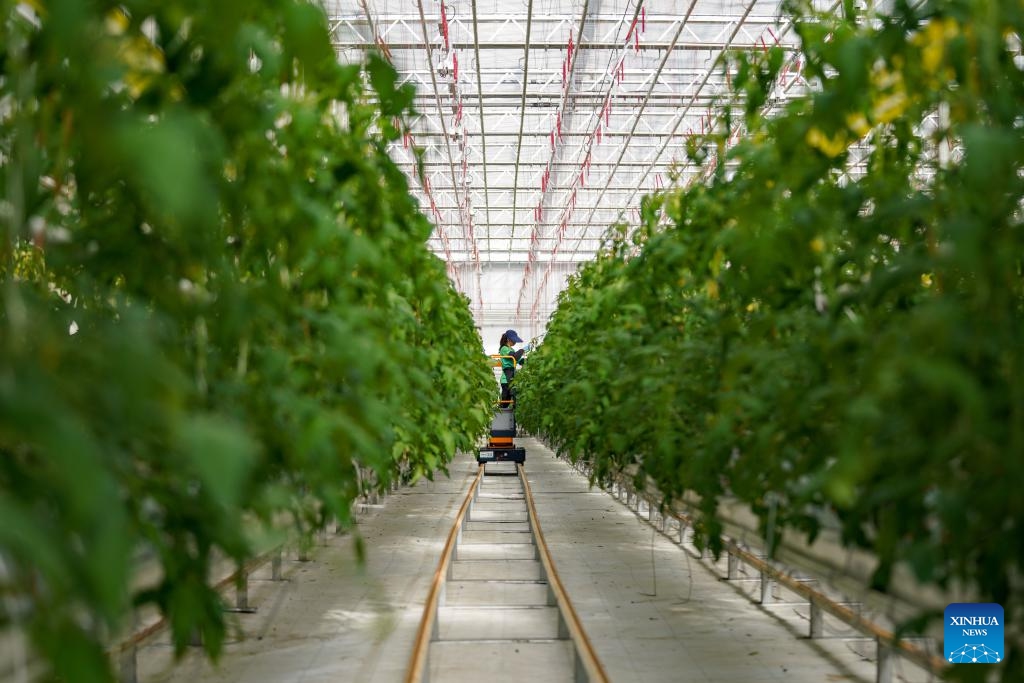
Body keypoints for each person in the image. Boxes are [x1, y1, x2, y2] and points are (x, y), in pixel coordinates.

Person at [498, 329, 527, 403]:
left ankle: (510, 412)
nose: (515, 342)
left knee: (514, 397)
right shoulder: (504, 348)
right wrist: (522, 350)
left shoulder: (512, 350)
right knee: (505, 401)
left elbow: (519, 360)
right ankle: (501, 413)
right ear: (508, 339)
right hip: (506, 377)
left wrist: (528, 360)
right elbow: (515, 357)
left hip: (512, 375)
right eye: (513, 340)